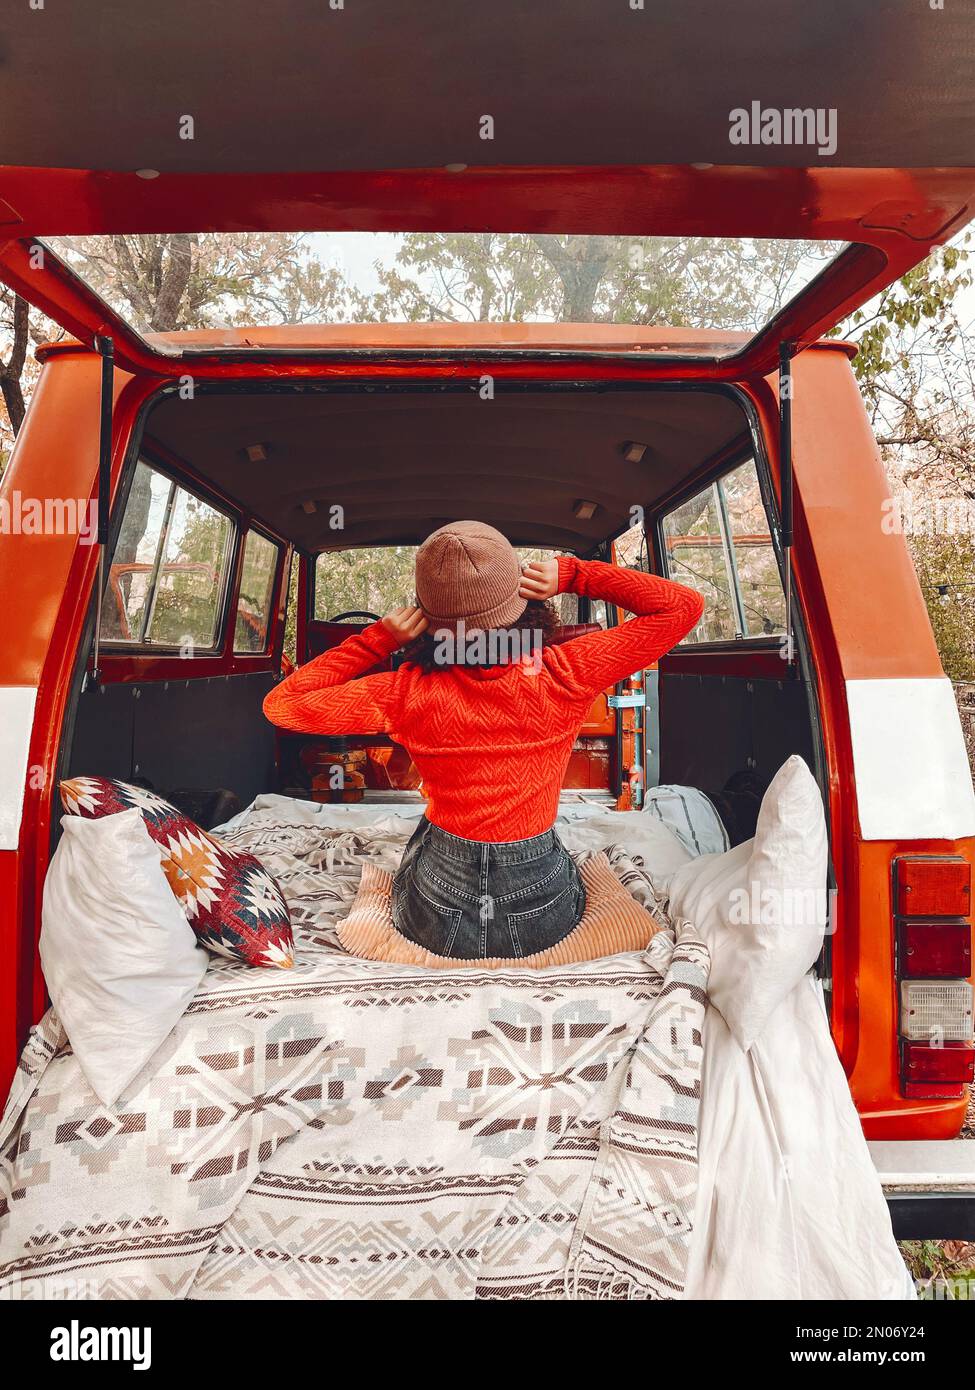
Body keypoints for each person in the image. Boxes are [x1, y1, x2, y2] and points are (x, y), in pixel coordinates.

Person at [263, 520, 704, 959]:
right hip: (545, 917)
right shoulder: (568, 670)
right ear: (523, 596)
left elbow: (281, 705)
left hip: (436, 921)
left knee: (427, 832)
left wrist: (379, 639)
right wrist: (574, 575)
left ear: (425, 617)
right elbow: (683, 606)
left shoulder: (403, 691)